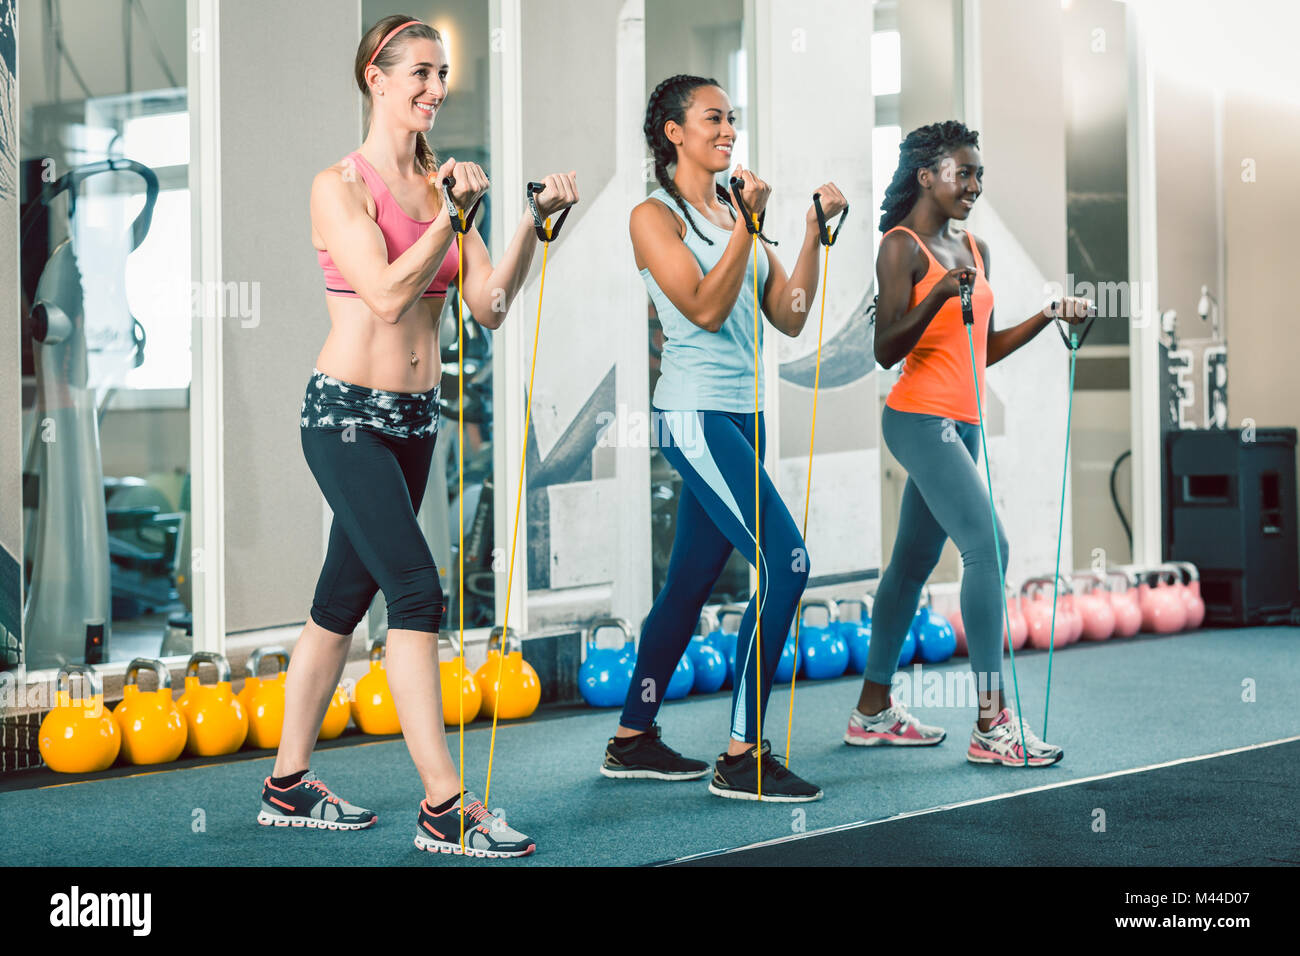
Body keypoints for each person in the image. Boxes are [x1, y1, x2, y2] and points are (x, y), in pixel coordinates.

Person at [260, 15, 578, 858]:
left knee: (338, 607)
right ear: (377, 75)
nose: (437, 90)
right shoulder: (341, 185)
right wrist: (449, 216)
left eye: (442, 76)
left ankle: (286, 786)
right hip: (345, 417)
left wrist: (530, 225)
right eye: (422, 74)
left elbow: (490, 307)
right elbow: (388, 295)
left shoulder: (441, 182)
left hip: (412, 422)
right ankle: (445, 806)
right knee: (418, 595)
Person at [600, 74, 846, 801]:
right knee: (789, 562)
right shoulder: (656, 217)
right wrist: (746, 223)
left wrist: (806, 234)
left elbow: (790, 314)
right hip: (694, 416)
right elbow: (704, 310)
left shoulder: (733, 212)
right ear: (674, 131)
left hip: (744, 418)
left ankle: (632, 737)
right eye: (713, 118)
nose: (728, 129)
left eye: (732, 118)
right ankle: (742, 756)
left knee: (687, 585)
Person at [849, 120, 1090, 766]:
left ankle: (870, 709)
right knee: (990, 548)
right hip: (917, 419)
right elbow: (885, 350)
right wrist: (934, 299)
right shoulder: (898, 249)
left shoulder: (974, 248)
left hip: (964, 422)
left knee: (910, 566)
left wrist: (1048, 316)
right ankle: (991, 723)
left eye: (979, 174)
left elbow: (980, 349)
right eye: (965, 173)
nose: (975, 185)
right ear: (926, 175)